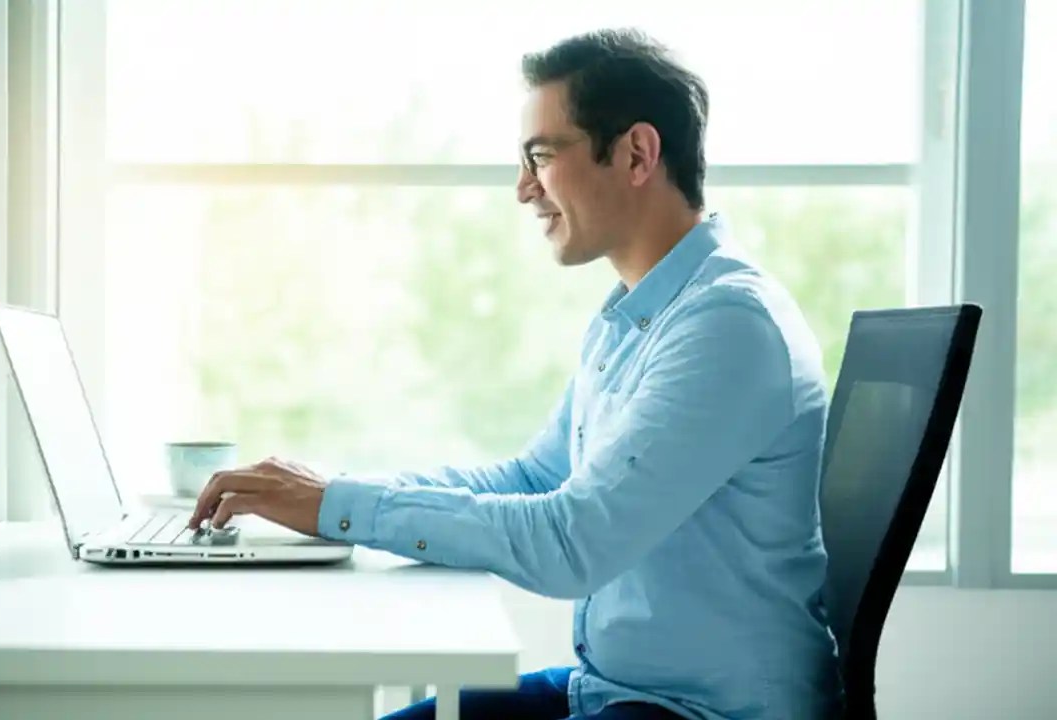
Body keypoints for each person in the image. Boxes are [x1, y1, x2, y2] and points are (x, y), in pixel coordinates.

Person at [188, 27, 842, 720]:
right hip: (619, 691)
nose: (525, 188)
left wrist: (336, 507)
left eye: (542, 156)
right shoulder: (635, 317)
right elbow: (534, 479)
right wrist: (335, 494)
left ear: (637, 153)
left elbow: (572, 542)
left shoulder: (727, 326)